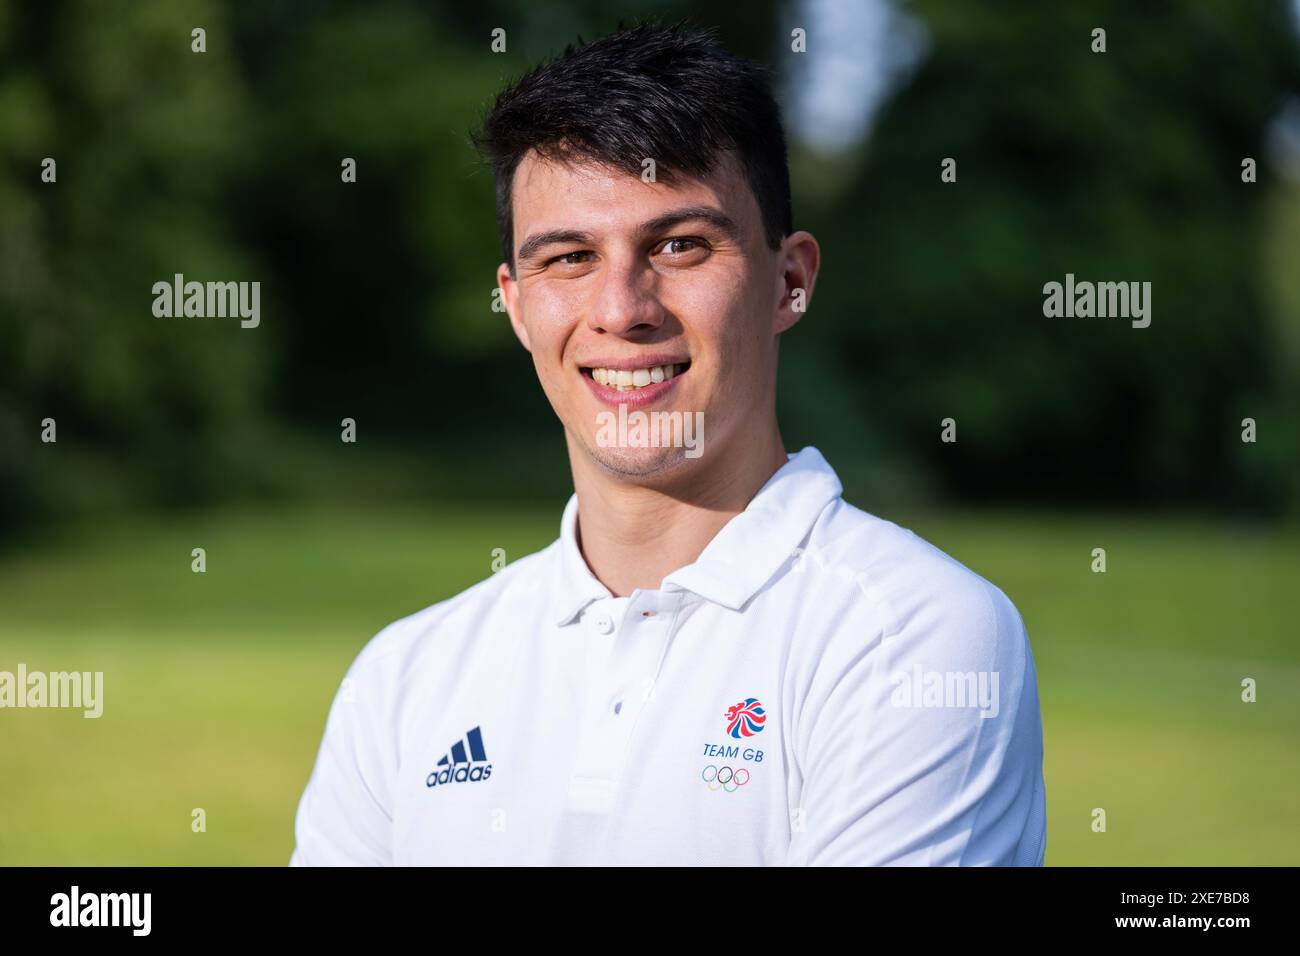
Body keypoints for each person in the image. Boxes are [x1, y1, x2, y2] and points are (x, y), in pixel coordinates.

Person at [290, 20, 1045, 866]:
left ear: (790, 280)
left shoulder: (914, 635)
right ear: (513, 303)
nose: (622, 307)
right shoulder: (403, 678)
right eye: (569, 257)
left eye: (679, 245)